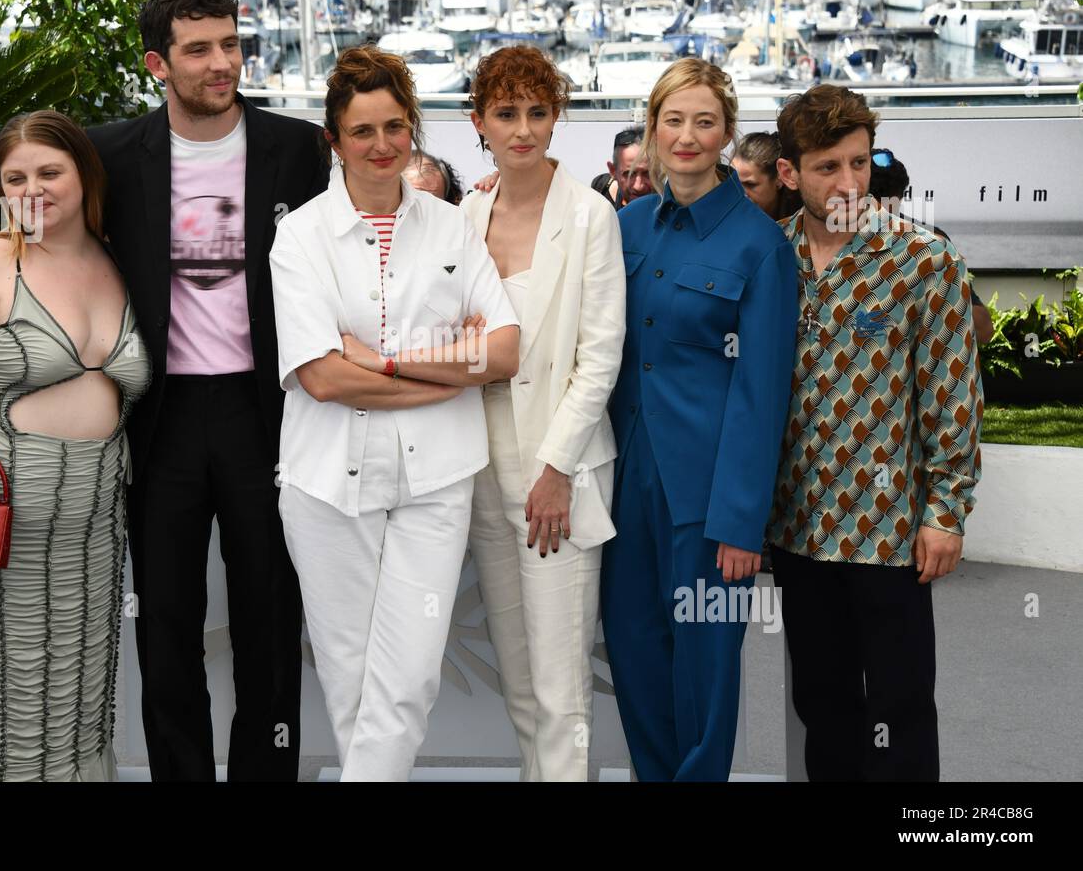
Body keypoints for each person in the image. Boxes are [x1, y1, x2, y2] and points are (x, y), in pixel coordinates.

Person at [0, 0, 329, 782]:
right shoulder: (108, 153)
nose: (223, 63)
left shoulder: (299, 149)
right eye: (199, 49)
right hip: (161, 422)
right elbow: (33, 221)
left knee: (271, 625)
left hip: (268, 417)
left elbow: (371, 216)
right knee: (165, 629)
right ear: (157, 63)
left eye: (231, 44)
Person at [269, 45, 521, 781]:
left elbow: (501, 352)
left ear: (412, 127)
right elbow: (319, 376)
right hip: (325, 486)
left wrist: (377, 362)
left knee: (407, 680)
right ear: (334, 140)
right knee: (350, 681)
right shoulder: (301, 235)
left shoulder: (451, 227)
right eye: (362, 131)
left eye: (395, 127)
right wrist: (445, 374)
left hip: (436, 481)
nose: (382, 146)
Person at [0, 110, 151, 781]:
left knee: (73, 711)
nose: (32, 189)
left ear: (84, 175)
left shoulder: (123, 263)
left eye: (49, 172)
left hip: (90, 533)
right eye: (15, 178)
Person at [770, 85, 983, 781]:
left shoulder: (924, 262)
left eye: (860, 163)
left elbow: (953, 398)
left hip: (889, 530)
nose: (849, 183)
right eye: (828, 166)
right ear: (789, 173)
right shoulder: (767, 258)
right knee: (821, 702)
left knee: (900, 707)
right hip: (796, 525)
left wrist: (945, 514)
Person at [602, 58, 798, 781]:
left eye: (704, 122)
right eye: (673, 120)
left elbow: (763, 390)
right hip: (623, 482)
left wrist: (741, 523)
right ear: (653, 127)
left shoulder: (761, 247)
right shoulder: (622, 228)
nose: (686, 137)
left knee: (705, 672)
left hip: (708, 499)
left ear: (726, 133)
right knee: (634, 653)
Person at [460, 46, 625, 781]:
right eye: (506, 114)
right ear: (480, 124)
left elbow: (601, 355)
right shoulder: (464, 215)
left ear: (555, 118)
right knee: (521, 685)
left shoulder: (592, 215)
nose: (522, 129)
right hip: (480, 465)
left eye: (536, 112)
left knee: (562, 694)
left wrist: (556, 468)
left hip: (563, 472)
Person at [868, 147, 994, 344]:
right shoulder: (933, 242)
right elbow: (984, 330)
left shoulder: (932, 244)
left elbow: (984, 329)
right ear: (902, 194)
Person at [733, 130, 803, 221]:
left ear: (780, 179)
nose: (740, 193)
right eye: (734, 183)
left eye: (750, 185)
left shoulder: (803, 221)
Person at [592, 126, 654, 209]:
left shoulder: (672, 208)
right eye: (629, 174)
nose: (638, 186)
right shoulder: (600, 191)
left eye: (648, 174)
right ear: (613, 171)